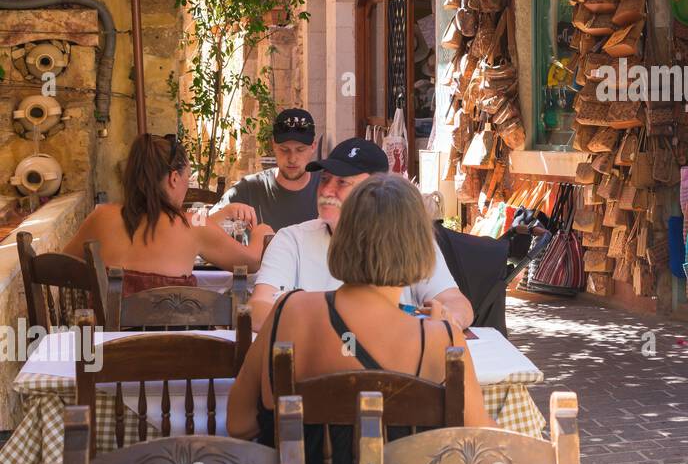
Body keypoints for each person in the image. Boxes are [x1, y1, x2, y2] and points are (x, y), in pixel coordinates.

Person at [227, 174, 493, 464]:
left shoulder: (288, 312)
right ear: (420, 246)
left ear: (344, 237)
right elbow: (482, 442)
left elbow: (238, 424)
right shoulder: (440, 339)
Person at [247, 138, 473, 330]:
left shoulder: (406, 240)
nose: (326, 190)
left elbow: (455, 302)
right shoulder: (291, 240)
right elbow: (258, 309)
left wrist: (448, 319)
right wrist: (333, 330)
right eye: (324, 179)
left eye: (342, 182)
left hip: (393, 365)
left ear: (376, 190)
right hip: (320, 365)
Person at [63, 133, 272, 295]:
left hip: (108, 344)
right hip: (174, 346)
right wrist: (260, 233)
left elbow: (65, 264)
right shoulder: (193, 227)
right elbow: (251, 263)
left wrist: (225, 212)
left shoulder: (101, 217)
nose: (186, 185)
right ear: (174, 178)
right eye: (187, 178)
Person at [209, 108, 319, 232]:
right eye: (284, 149)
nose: (292, 159)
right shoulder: (249, 189)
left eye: (300, 149)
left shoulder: (328, 189)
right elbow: (198, 224)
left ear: (313, 147)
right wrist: (226, 212)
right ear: (274, 146)